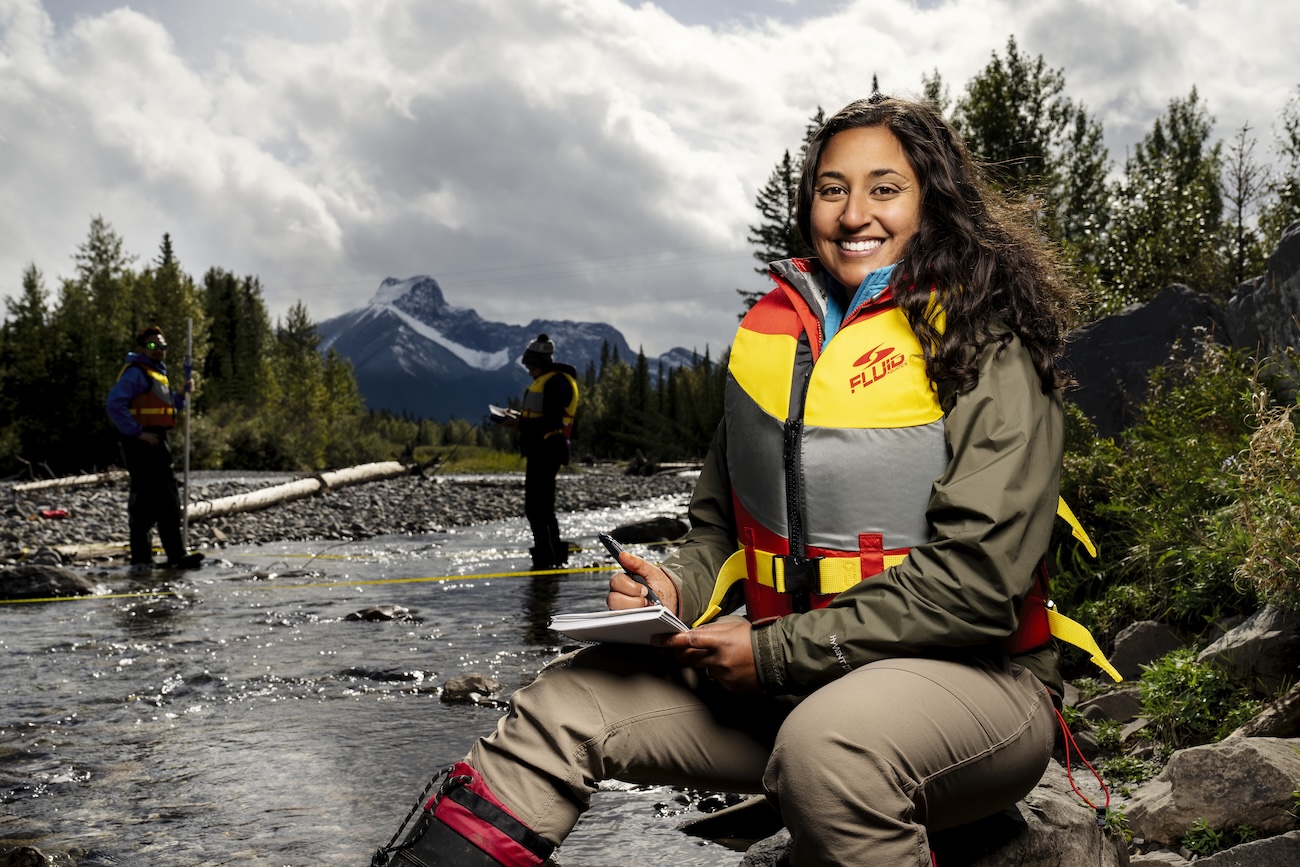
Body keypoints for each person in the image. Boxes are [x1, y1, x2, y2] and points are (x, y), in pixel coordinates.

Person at [373, 95, 1093, 867]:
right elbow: (719, 529)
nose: (854, 214)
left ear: (935, 199)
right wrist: (672, 590)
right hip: (787, 683)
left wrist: (774, 651)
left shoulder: (992, 343)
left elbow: (977, 584)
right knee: (560, 704)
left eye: (885, 188)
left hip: (977, 690)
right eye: (831, 188)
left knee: (830, 752)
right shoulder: (774, 346)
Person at [105, 325, 204, 571]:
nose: (159, 350)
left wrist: (180, 395)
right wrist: (138, 433)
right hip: (141, 443)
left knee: (167, 498)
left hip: (158, 440)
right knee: (145, 499)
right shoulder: (136, 373)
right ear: (141, 348)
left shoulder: (157, 374)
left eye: (162, 346)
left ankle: (174, 556)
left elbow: (166, 410)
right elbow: (114, 405)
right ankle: (142, 559)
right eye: (153, 345)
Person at [501, 334, 579, 572]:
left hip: (548, 450)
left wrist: (519, 424)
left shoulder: (557, 382)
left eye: (531, 367)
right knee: (541, 508)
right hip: (541, 450)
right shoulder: (549, 380)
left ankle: (547, 562)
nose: (529, 372)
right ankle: (552, 560)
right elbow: (542, 417)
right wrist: (519, 418)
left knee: (538, 509)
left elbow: (552, 421)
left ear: (541, 364)